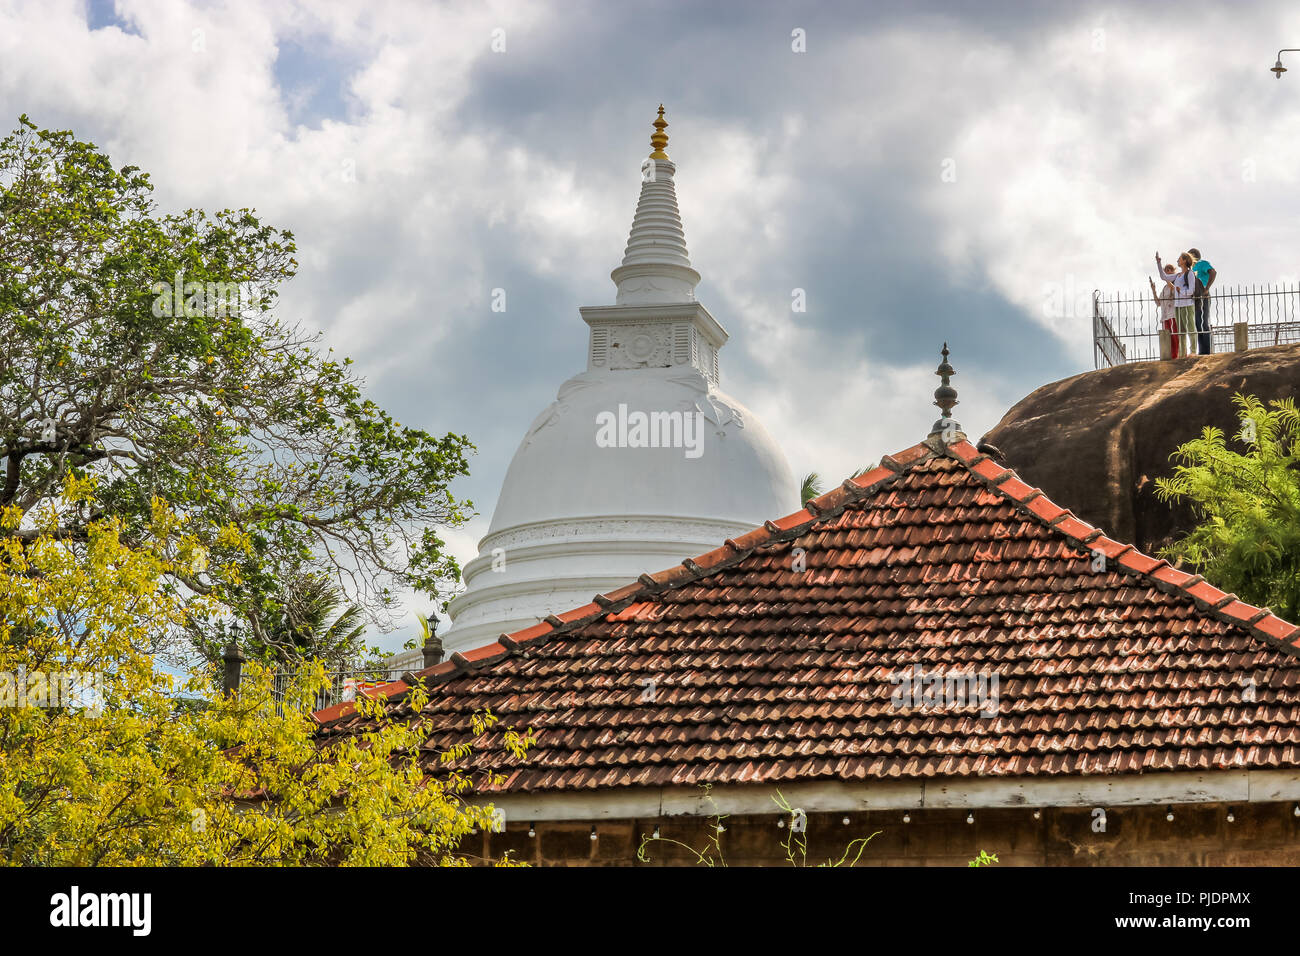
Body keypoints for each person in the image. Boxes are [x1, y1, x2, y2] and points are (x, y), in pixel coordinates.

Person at [1155, 251, 1196, 358]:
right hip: (1178, 306)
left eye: (1180, 259)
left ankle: (1193, 351)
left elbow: (1191, 290)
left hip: (1187, 304)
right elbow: (1163, 277)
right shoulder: (1177, 276)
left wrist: (1180, 291)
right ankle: (1181, 354)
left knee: (1190, 329)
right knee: (1181, 332)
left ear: (1185, 261)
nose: (1178, 260)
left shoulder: (1190, 273)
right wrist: (1159, 263)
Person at [1188, 247, 1216, 354]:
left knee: (1204, 323)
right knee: (1197, 324)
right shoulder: (1191, 270)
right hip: (1195, 298)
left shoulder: (1202, 263)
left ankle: (1207, 351)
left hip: (1203, 296)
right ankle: (1202, 352)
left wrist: (1207, 288)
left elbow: (1213, 272)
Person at [1150, 264, 1179, 359]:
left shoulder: (1176, 284)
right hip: (1165, 316)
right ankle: (1171, 357)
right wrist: (1153, 290)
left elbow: (1175, 291)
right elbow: (1158, 303)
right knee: (1167, 339)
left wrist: (1166, 279)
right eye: (1166, 270)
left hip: (1173, 315)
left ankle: (1177, 356)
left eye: (1170, 270)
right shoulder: (1164, 288)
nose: (1167, 272)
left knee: (1175, 337)